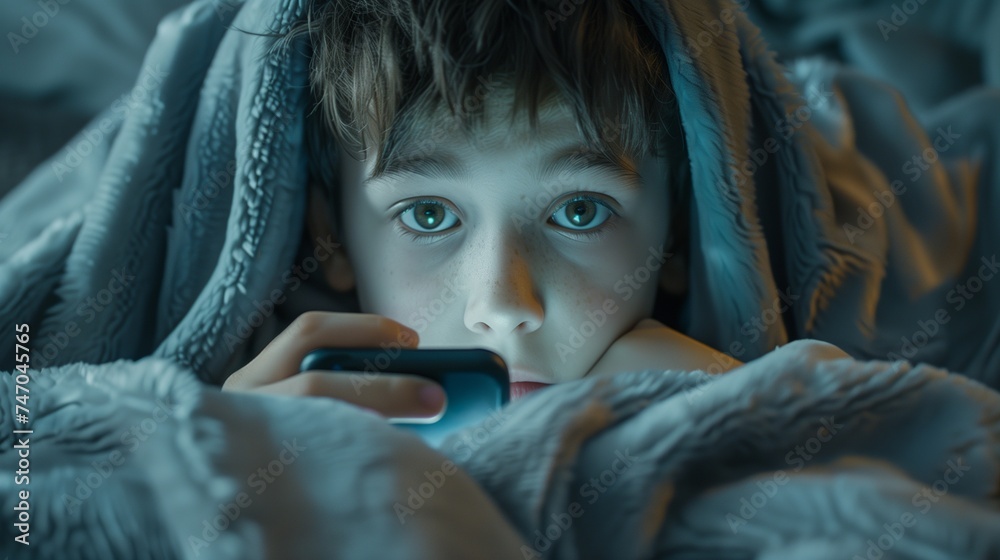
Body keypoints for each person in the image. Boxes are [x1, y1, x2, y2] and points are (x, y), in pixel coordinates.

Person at [221, 0, 743, 417]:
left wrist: (759, 415)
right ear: (330, 235)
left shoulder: (782, 423)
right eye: (428, 214)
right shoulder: (262, 457)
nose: (502, 307)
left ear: (675, 233)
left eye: (580, 211)